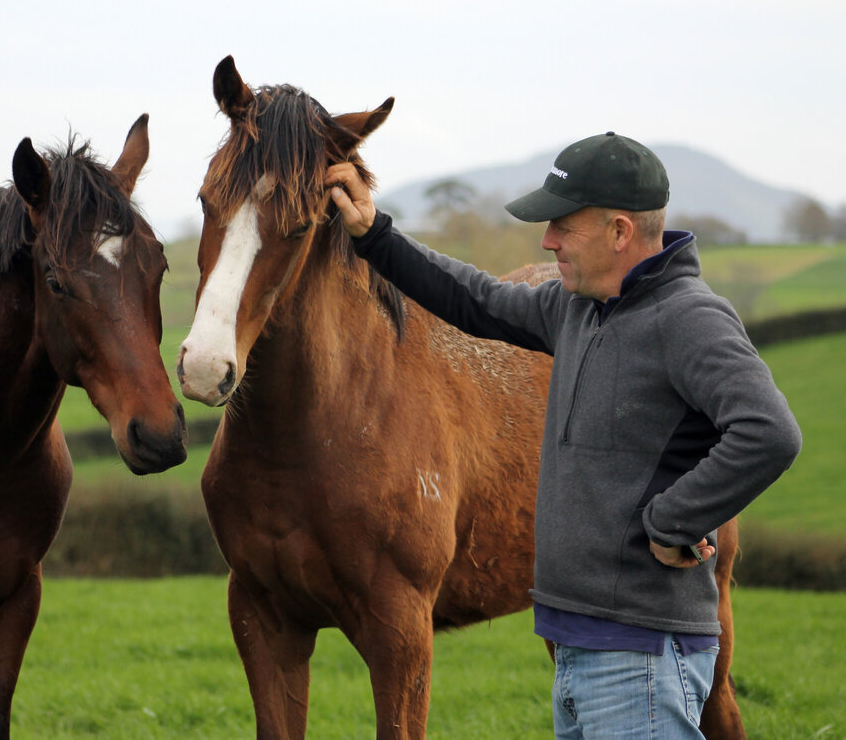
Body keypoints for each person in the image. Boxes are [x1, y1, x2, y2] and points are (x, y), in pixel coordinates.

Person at [327, 131, 802, 739]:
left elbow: (770, 431)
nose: (547, 240)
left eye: (562, 226)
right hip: (575, 645)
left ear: (620, 232)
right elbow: (474, 298)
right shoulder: (579, 309)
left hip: (643, 655)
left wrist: (676, 520)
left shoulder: (690, 318)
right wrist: (375, 234)